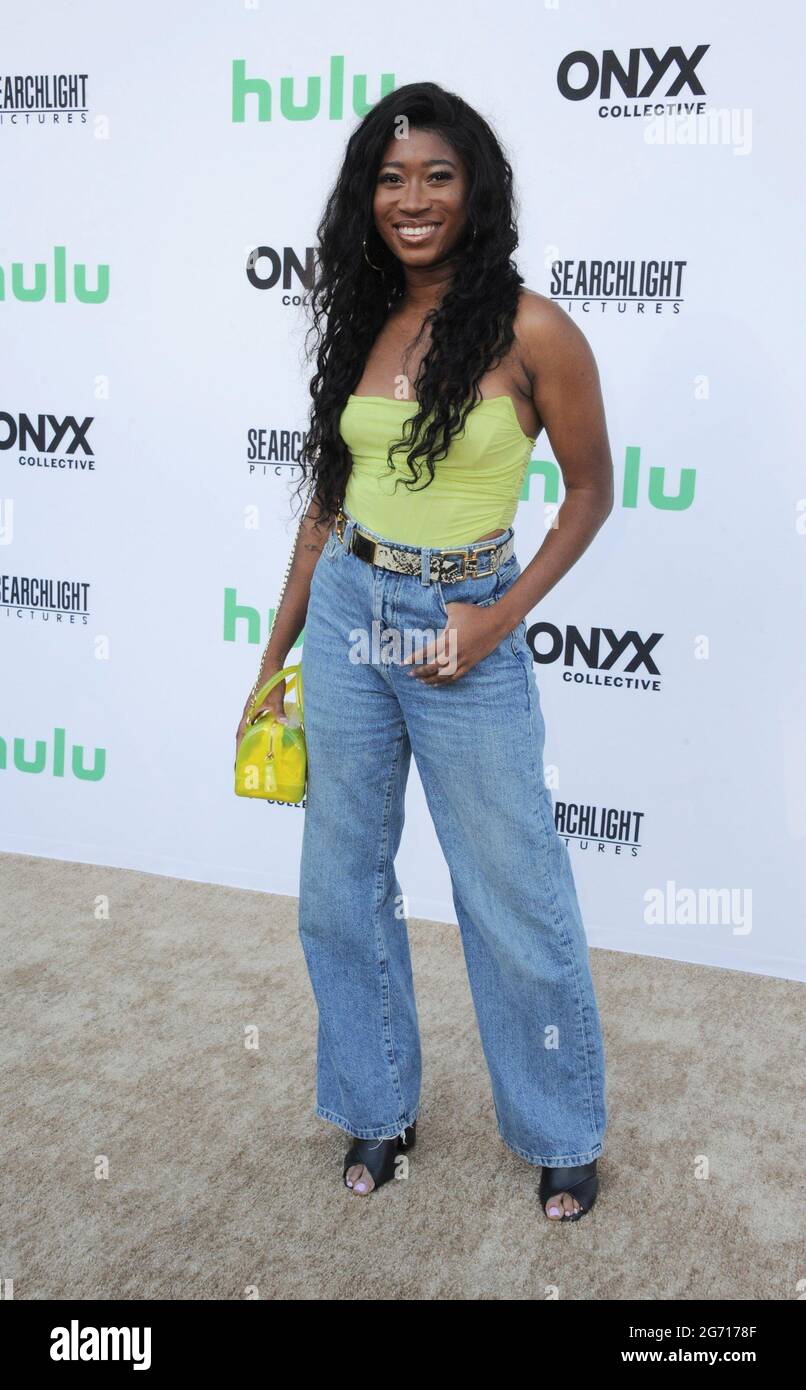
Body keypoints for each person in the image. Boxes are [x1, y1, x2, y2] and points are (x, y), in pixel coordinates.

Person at [235, 82, 613, 1222]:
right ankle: (375, 1106)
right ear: (367, 196)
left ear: (474, 190)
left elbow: (590, 493)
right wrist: (272, 656)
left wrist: (491, 623)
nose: (413, 199)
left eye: (437, 176)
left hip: (462, 621)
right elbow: (324, 506)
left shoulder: (532, 328)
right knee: (338, 885)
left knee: (511, 891)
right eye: (392, 179)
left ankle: (559, 1127)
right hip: (352, 604)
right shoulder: (357, 317)